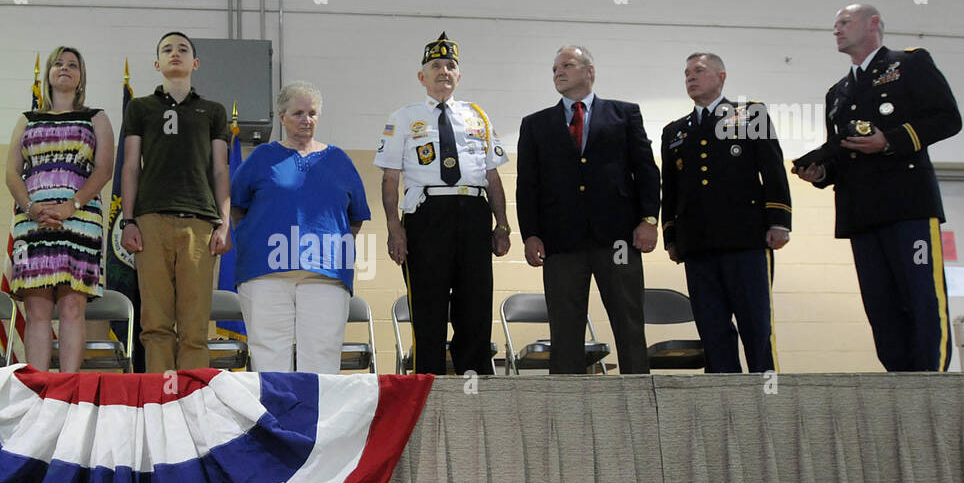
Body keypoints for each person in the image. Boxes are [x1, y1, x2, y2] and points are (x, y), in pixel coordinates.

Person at [793, 3, 962, 372]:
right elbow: (843, 152)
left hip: (908, 207)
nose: (836, 29)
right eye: (834, 24)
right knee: (880, 305)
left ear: (873, 24)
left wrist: (890, 140)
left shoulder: (909, 63)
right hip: (861, 213)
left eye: (844, 22)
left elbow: (948, 118)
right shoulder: (837, 92)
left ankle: (931, 381)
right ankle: (897, 383)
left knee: (921, 295)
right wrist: (821, 172)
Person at [516, 45, 660, 375]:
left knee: (628, 322)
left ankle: (638, 397)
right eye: (555, 69)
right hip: (561, 241)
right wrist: (531, 234)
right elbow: (528, 185)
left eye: (567, 65)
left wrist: (649, 219)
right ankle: (567, 402)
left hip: (619, 239)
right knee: (565, 330)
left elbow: (646, 170)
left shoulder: (625, 114)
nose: (559, 72)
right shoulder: (535, 124)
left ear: (589, 71)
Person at [376, 32, 511, 376]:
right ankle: (428, 385)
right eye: (436, 66)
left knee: (475, 304)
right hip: (426, 215)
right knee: (428, 306)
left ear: (459, 76)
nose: (444, 71)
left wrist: (502, 224)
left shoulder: (478, 116)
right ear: (421, 77)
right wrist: (394, 228)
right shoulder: (403, 118)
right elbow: (390, 178)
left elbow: (493, 176)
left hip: (473, 212)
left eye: (450, 66)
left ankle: (473, 387)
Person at [660, 53, 792, 373]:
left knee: (756, 326)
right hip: (698, 245)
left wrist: (779, 221)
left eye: (699, 71)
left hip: (745, 239)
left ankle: (766, 390)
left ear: (721, 77)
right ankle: (723, 393)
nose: (691, 77)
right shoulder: (675, 131)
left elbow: (772, 170)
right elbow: (671, 189)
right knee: (712, 328)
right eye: (687, 73)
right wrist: (671, 237)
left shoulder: (749, 114)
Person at [230, 81, 370, 373]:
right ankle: (274, 407)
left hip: (327, 274)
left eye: (312, 113)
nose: (306, 120)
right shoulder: (262, 157)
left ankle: (317, 407)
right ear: (282, 117)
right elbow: (236, 206)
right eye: (298, 113)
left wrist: (329, 249)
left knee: (322, 358)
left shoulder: (338, 160)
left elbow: (355, 216)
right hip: (265, 272)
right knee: (269, 358)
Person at [118, 31, 231, 372]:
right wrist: (128, 220)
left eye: (183, 49)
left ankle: (192, 397)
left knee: (195, 326)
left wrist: (224, 223)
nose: (175, 53)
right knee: (155, 324)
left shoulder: (213, 111)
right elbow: (130, 166)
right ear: (157, 64)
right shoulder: (140, 108)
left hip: (200, 222)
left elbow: (221, 170)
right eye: (167, 49)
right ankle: (160, 394)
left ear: (195, 62)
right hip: (151, 220)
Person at [4, 47, 115, 372]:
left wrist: (71, 205)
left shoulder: (96, 118)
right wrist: (30, 207)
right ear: (48, 74)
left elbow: (104, 169)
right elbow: (11, 172)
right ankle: (37, 388)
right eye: (58, 64)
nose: (64, 68)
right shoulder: (27, 119)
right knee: (36, 309)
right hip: (32, 222)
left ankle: (67, 388)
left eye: (72, 65)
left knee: (71, 306)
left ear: (81, 77)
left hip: (80, 221)